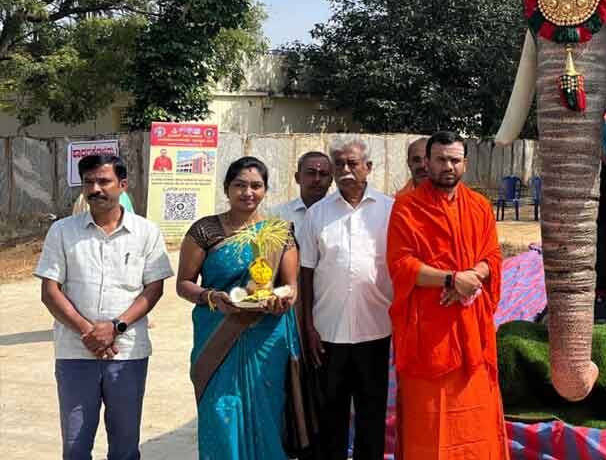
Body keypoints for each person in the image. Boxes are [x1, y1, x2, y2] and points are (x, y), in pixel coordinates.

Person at [35, 153, 173, 460]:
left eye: (104, 181)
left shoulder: (146, 232)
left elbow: (154, 289)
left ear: (122, 184)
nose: (96, 188)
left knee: (125, 446)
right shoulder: (62, 231)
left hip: (128, 353)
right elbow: (50, 291)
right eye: (89, 182)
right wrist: (88, 332)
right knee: (75, 445)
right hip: (74, 353)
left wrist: (115, 327)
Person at [388, 130, 508, 459]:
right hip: (428, 333)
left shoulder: (480, 206)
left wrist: (471, 277)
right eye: (440, 159)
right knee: (427, 422)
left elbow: (492, 258)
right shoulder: (406, 207)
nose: (448, 166)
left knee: (475, 417)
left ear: (465, 164)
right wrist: (452, 280)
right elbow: (401, 265)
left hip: (472, 328)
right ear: (427, 162)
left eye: (455, 160)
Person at [176, 157, 302, 460]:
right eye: (240, 185)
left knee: (268, 410)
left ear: (265, 190)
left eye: (256, 186)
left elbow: (291, 286)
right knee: (220, 411)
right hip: (216, 334)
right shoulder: (205, 230)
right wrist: (211, 297)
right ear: (226, 189)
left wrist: (281, 298)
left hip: (267, 338)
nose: (248, 192)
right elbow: (183, 283)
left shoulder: (278, 232)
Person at [297, 137, 394, 460]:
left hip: (376, 329)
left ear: (369, 167)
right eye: (339, 164)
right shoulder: (317, 214)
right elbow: (306, 272)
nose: (346, 170)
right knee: (330, 416)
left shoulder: (390, 210)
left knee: (371, 414)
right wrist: (308, 325)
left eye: (353, 163)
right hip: (327, 333)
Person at [268, 150, 334, 227]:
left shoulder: (340, 214)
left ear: (331, 181)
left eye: (323, 174)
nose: (317, 179)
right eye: (311, 173)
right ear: (297, 178)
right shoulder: (279, 215)